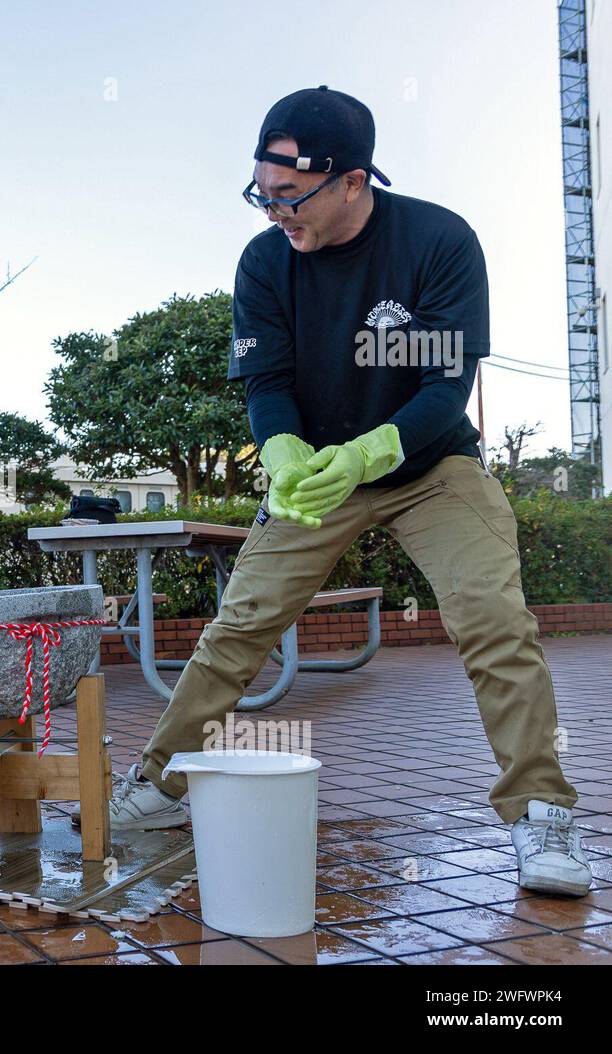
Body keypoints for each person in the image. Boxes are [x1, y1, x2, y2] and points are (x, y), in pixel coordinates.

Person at [89, 87, 591, 898]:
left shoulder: (437, 241)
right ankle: (163, 784)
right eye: (261, 194)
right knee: (240, 626)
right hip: (317, 475)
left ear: (353, 181)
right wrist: (282, 449)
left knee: (494, 620)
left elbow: (443, 387)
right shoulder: (265, 262)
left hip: (429, 466)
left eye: (289, 196)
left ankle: (540, 811)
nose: (273, 213)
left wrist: (371, 452)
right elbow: (268, 379)